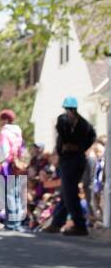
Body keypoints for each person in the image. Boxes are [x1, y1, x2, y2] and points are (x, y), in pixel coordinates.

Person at [42, 97, 96, 236]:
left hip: (71, 160)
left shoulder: (67, 120)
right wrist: (81, 147)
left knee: (70, 193)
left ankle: (79, 225)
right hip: (76, 159)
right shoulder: (83, 123)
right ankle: (57, 223)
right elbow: (92, 136)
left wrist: (73, 145)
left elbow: (63, 129)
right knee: (66, 192)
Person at [0, 108, 27, 232]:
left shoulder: (4, 133)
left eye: (0, 119)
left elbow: (4, 152)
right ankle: (17, 222)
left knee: (9, 195)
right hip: (16, 166)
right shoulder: (18, 133)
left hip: (7, 167)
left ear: (5, 120)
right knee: (16, 195)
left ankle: (11, 223)